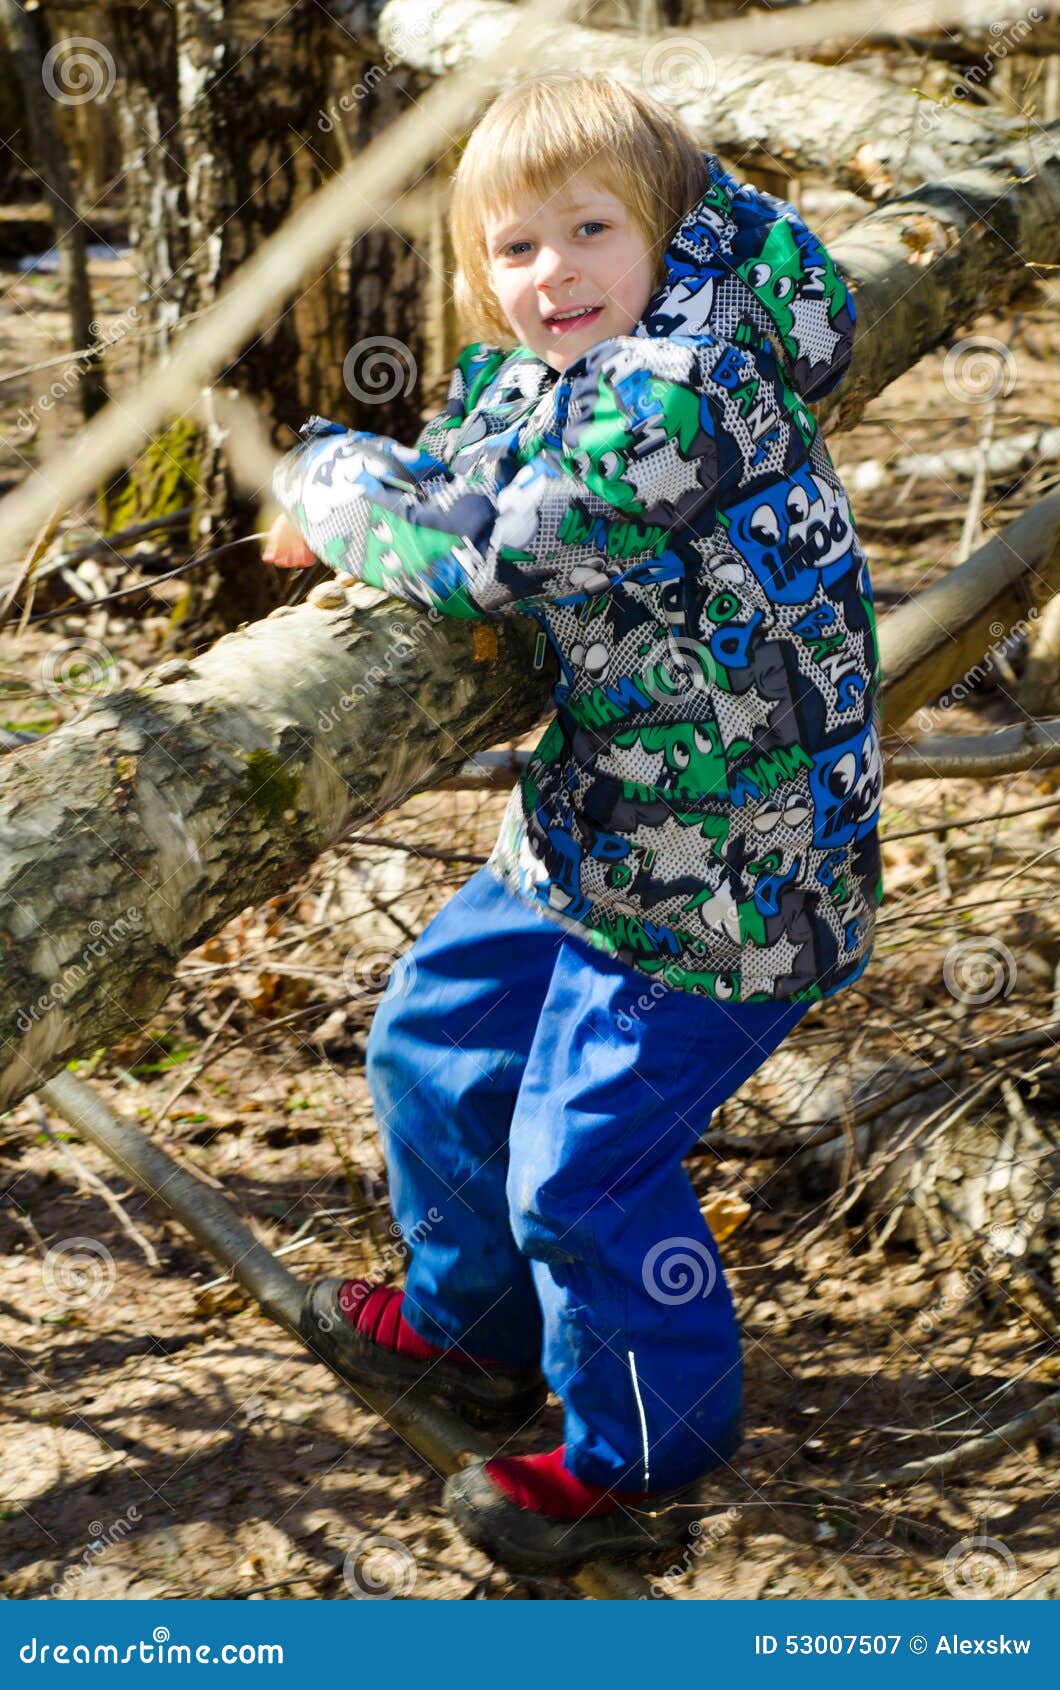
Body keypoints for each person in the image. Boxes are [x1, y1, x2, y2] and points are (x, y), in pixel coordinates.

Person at [261, 72, 883, 1576]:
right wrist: (400, 478)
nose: (555, 276)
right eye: (514, 249)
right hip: (610, 823)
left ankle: (643, 1453)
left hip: (741, 881)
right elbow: (481, 473)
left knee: (582, 1166)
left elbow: (481, 554)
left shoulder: (673, 394)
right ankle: (476, 1332)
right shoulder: (568, 371)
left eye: (592, 228)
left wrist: (325, 472)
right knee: (436, 1031)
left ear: (670, 229)